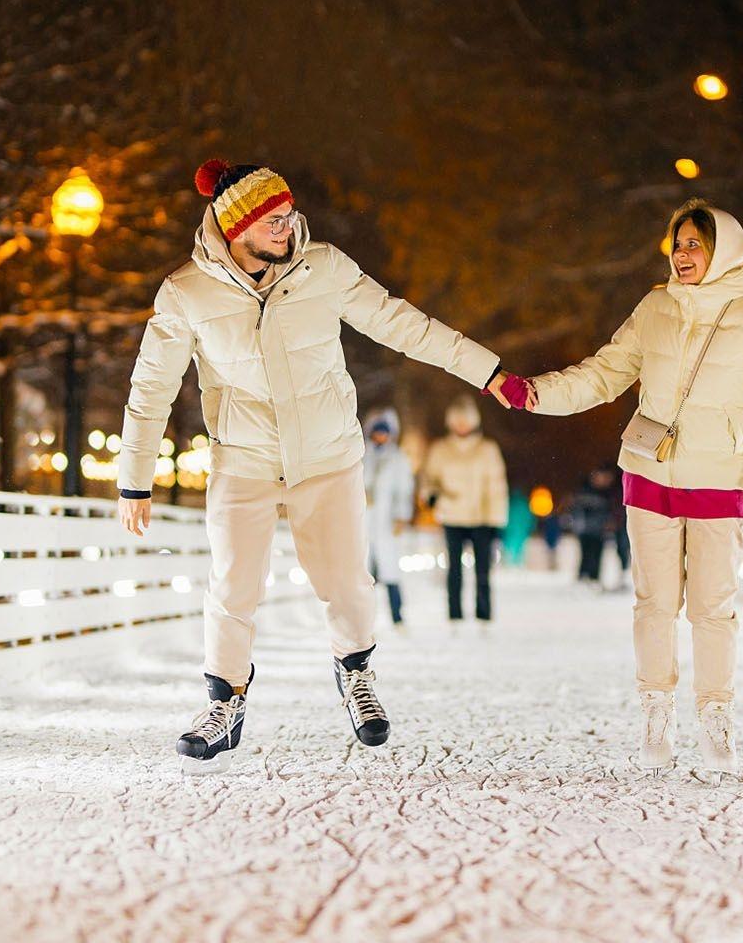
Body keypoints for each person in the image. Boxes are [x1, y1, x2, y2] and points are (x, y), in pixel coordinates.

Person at [116, 160, 521, 772]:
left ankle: (355, 672)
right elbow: (151, 388)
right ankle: (224, 703)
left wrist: (488, 372)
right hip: (244, 460)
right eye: (273, 221)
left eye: (288, 216)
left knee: (347, 583)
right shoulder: (186, 294)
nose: (288, 228)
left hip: (327, 456)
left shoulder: (323, 268)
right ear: (236, 227)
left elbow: (404, 325)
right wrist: (134, 478)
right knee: (232, 586)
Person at [518, 198, 743, 774]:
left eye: (694, 244)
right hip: (649, 474)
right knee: (653, 604)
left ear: (721, 250)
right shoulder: (654, 308)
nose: (682, 255)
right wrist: (534, 393)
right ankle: (656, 712)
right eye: (677, 245)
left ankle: (716, 716)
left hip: (721, 481)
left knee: (712, 609)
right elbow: (604, 373)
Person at [419, 397, 508, 630]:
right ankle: (454, 615)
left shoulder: (487, 449)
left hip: (481, 519)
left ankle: (484, 616)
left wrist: (497, 520)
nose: (461, 426)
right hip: (452, 516)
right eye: (457, 421)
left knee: (482, 570)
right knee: (454, 570)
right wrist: (433, 497)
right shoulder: (440, 450)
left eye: (465, 421)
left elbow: (497, 488)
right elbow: (428, 480)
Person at [362, 408, 414, 631]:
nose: (380, 437)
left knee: (390, 570)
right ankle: (364, 620)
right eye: (377, 432)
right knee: (363, 573)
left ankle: (397, 616)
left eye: (384, 432)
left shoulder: (398, 458)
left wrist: (402, 516)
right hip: (363, 521)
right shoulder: (362, 454)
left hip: (386, 522)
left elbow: (405, 490)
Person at [569, 465, 620, 587]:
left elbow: (610, 511)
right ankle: (583, 577)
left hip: (599, 530)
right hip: (585, 529)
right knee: (586, 553)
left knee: (597, 554)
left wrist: (609, 522)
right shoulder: (585, 491)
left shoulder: (607, 493)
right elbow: (577, 509)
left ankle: (594, 578)